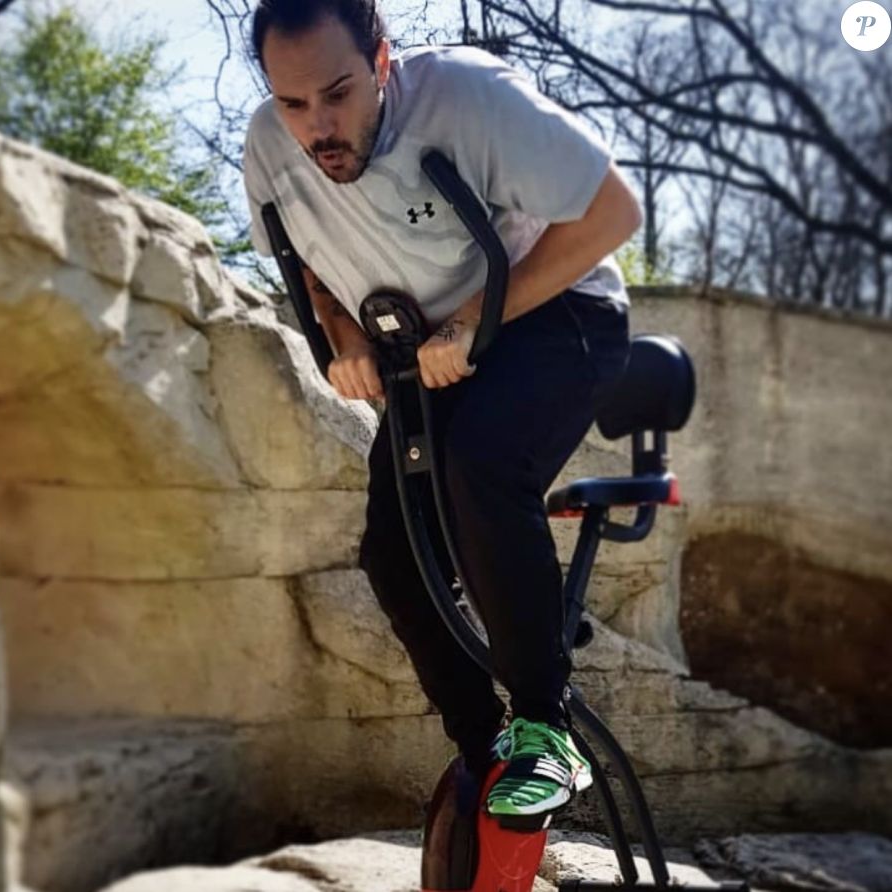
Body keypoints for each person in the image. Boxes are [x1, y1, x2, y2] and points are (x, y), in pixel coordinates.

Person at [243, 0, 641, 821]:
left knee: (483, 466)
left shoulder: (465, 97)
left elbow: (614, 212)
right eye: (292, 103)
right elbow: (307, 259)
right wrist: (343, 330)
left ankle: (543, 728)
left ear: (383, 60)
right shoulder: (269, 147)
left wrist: (470, 320)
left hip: (559, 311)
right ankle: (484, 749)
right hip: (432, 350)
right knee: (393, 554)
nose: (316, 127)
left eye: (339, 93)